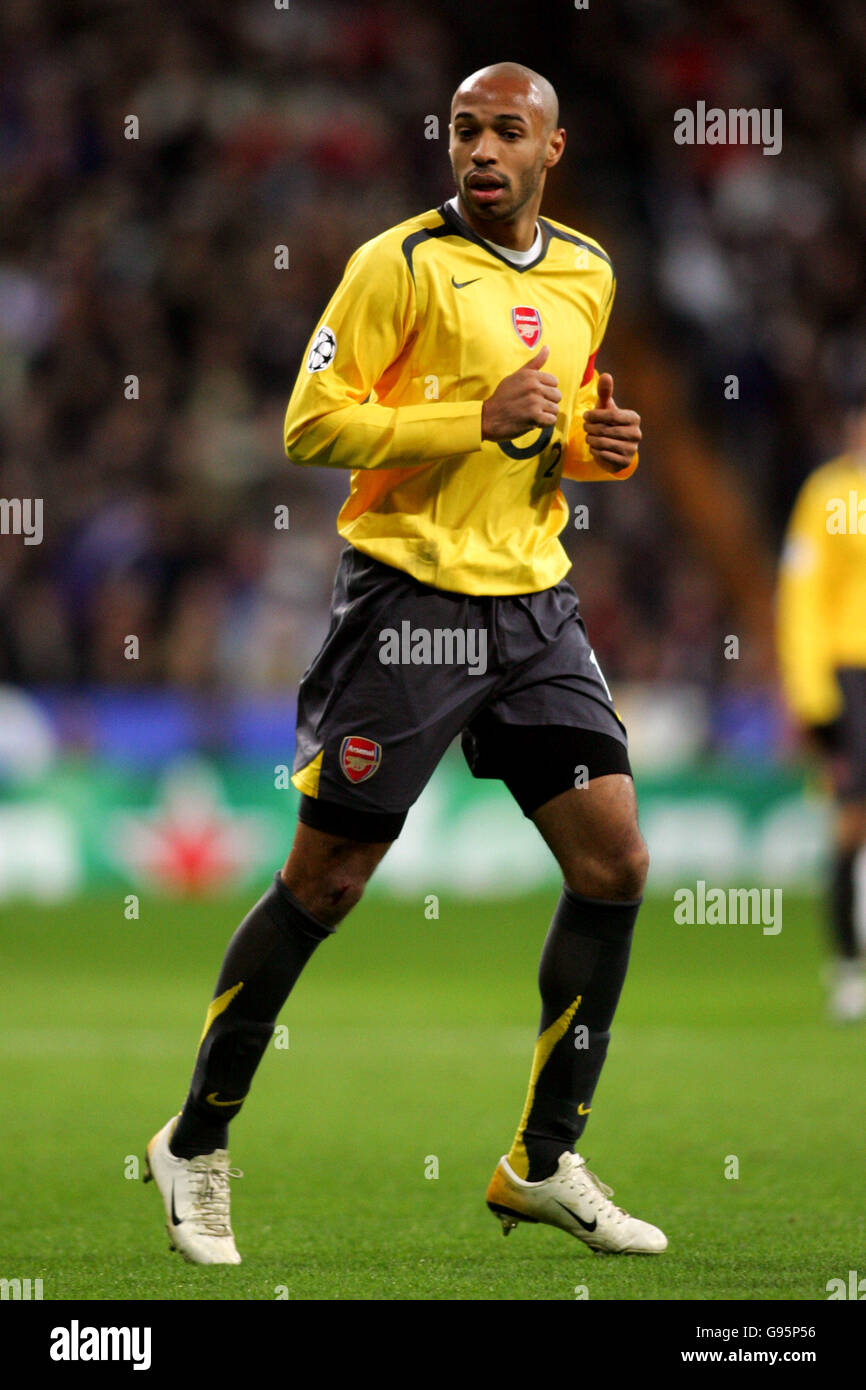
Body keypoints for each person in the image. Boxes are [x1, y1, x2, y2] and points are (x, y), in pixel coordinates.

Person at [145, 61, 667, 1263]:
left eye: (505, 134)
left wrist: (597, 447)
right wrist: (467, 417)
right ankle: (198, 1137)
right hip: (405, 607)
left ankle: (540, 1161)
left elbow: (550, 434)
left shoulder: (588, 268)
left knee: (615, 858)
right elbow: (310, 421)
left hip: (534, 608)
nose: (480, 152)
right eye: (462, 131)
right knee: (324, 883)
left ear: (552, 150)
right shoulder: (396, 265)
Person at [777, 398, 866, 1022]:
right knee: (853, 817)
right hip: (851, 674)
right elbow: (802, 601)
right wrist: (814, 702)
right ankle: (849, 963)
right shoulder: (831, 496)